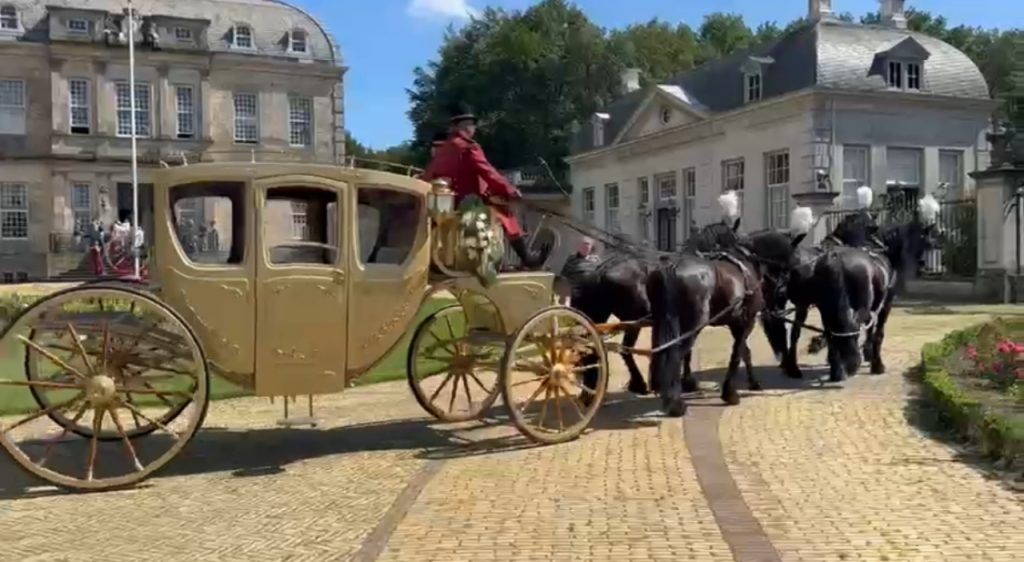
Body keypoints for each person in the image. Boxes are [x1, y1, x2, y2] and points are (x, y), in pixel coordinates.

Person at [421, 103, 550, 269]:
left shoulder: (445, 149)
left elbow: (429, 176)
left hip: (446, 206)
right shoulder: (469, 147)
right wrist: (510, 192)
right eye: (472, 124)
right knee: (505, 212)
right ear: (465, 125)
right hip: (468, 206)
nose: (474, 128)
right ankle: (526, 258)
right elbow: (488, 173)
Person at [557, 237, 601, 305]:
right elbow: (564, 275)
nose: (585, 247)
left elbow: (597, 279)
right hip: (570, 293)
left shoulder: (595, 261)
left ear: (591, 247)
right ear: (579, 246)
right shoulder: (571, 258)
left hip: (584, 295)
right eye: (583, 244)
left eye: (588, 245)